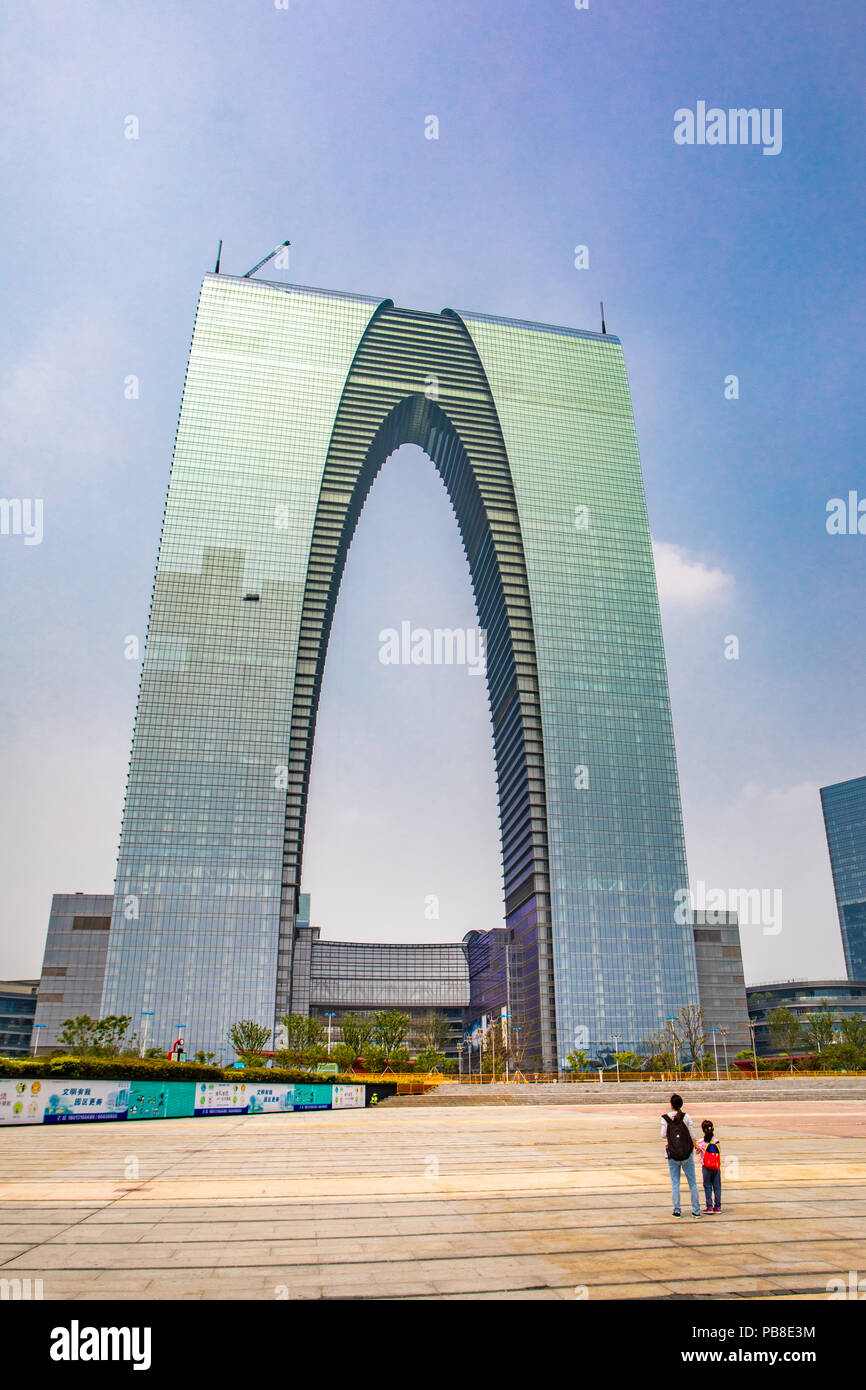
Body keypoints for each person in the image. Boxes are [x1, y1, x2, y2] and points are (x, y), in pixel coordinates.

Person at [660, 1092, 702, 1217]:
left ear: (671, 1105)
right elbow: (692, 1135)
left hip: (672, 1154)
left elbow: (663, 1135)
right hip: (686, 1153)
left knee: (675, 1183)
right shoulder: (686, 1117)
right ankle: (696, 1210)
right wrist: (695, 1145)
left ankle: (677, 1210)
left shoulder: (665, 1118)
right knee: (692, 1182)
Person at [697, 1119, 722, 1213]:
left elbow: (697, 1152)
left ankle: (709, 1206)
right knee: (717, 1186)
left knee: (707, 1186)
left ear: (703, 1130)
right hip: (716, 1166)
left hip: (706, 1166)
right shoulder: (716, 1141)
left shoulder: (701, 1142)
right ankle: (718, 1206)